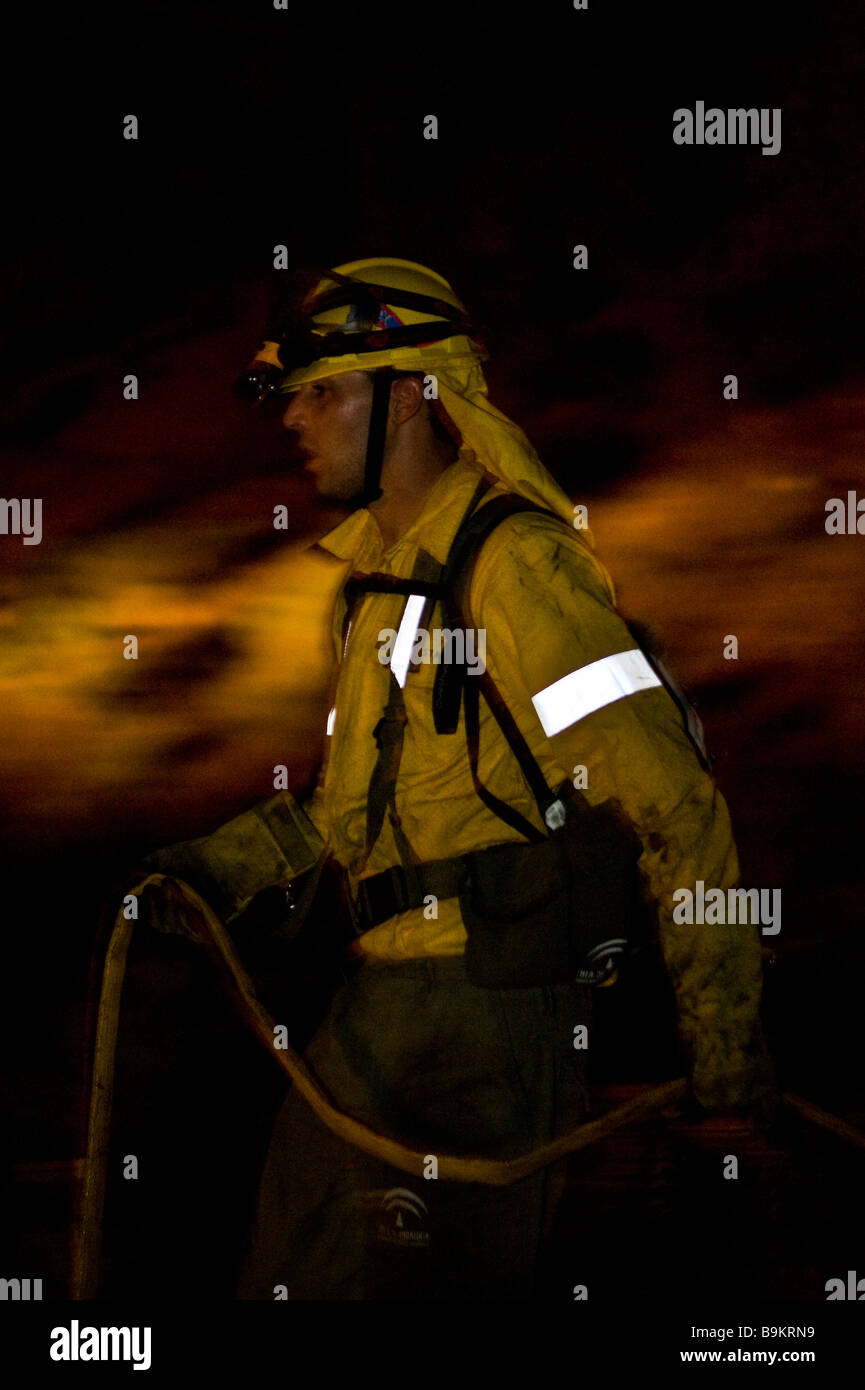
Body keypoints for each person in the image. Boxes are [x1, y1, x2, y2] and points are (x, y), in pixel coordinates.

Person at [155, 258, 774, 1299]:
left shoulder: (517, 570)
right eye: (297, 393)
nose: (296, 419)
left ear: (412, 397)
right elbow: (345, 816)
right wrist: (214, 866)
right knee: (291, 1270)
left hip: (488, 1015)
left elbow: (670, 803)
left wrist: (725, 1061)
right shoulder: (382, 587)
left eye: (325, 391)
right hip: (382, 1000)